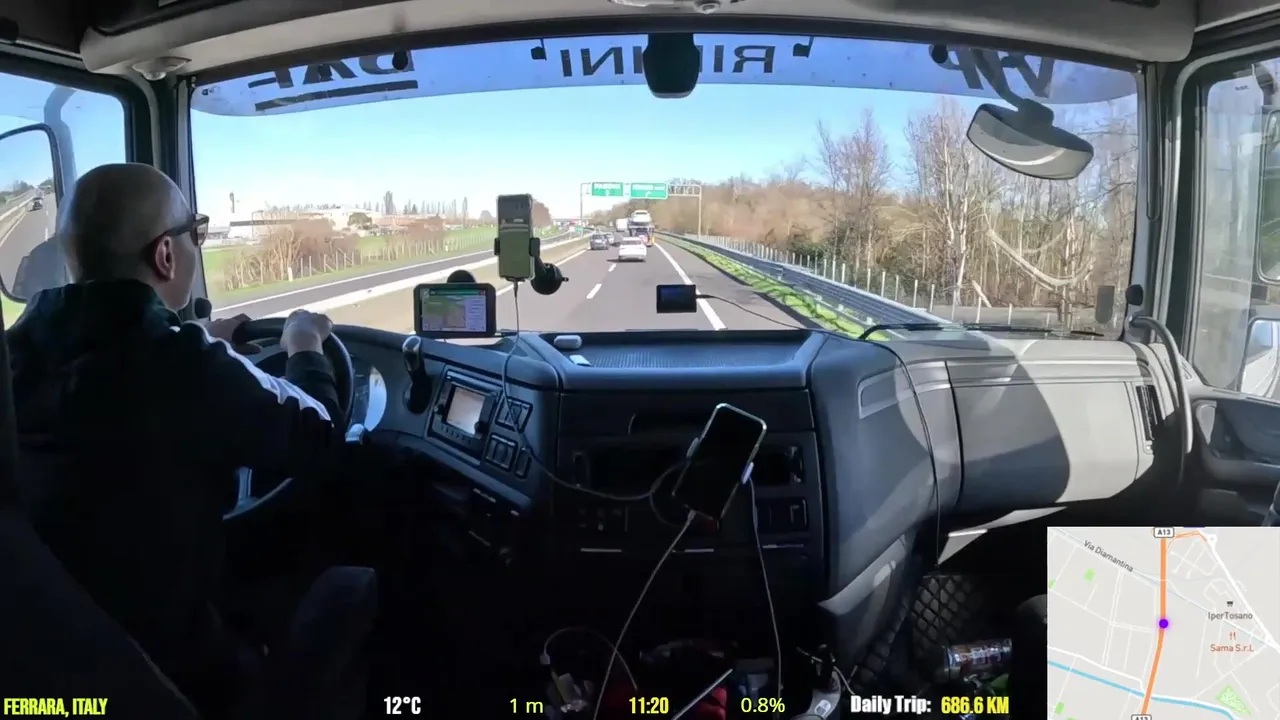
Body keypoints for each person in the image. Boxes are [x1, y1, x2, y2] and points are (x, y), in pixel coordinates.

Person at [6, 163, 346, 716]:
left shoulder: (15, 355)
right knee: (349, 592)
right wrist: (305, 344)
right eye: (195, 232)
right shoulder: (188, 365)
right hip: (174, 678)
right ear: (166, 255)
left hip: (52, 671)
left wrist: (192, 338)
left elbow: (109, 368)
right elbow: (320, 434)